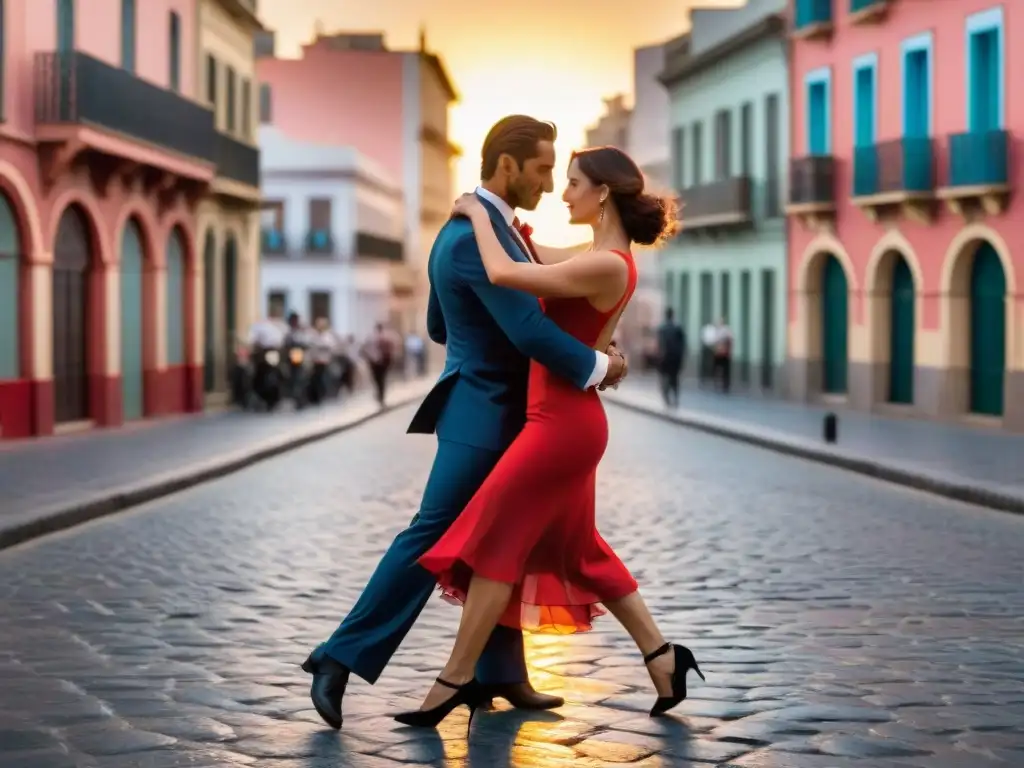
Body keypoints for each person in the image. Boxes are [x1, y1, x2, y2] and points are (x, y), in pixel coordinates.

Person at [300, 115, 628, 730]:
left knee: (505, 538)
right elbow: (528, 330)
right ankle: (336, 657)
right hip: (485, 412)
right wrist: (598, 367)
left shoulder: (485, 231)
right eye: (539, 169)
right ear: (507, 167)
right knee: (430, 538)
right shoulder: (476, 238)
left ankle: (500, 672)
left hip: (495, 403)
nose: (547, 181)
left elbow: (438, 326)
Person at [394, 145, 704, 730]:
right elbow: (546, 287)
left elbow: (506, 274)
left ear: (603, 193)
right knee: (581, 551)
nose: (564, 194)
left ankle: (454, 680)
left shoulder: (608, 263)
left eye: (574, 183)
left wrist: (478, 214)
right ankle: (664, 658)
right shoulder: (598, 256)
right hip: (563, 419)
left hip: (559, 427)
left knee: (493, 542)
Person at [656, 307, 686, 407]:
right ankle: (675, 397)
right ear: (673, 315)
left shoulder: (662, 329)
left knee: (665, 378)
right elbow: (682, 345)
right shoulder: (678, 328)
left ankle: (667, 398)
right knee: (675, 379)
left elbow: (659, 345)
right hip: (675, 359)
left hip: (664, 358)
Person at [362, 323, 393, 406]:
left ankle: (380, 396)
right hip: (380, 362)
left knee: (378, 380)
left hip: (376, 363)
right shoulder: (384, 338)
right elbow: (389, 351)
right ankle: (380, 396)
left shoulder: (373, 338)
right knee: (381, 380)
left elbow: (364, 349)